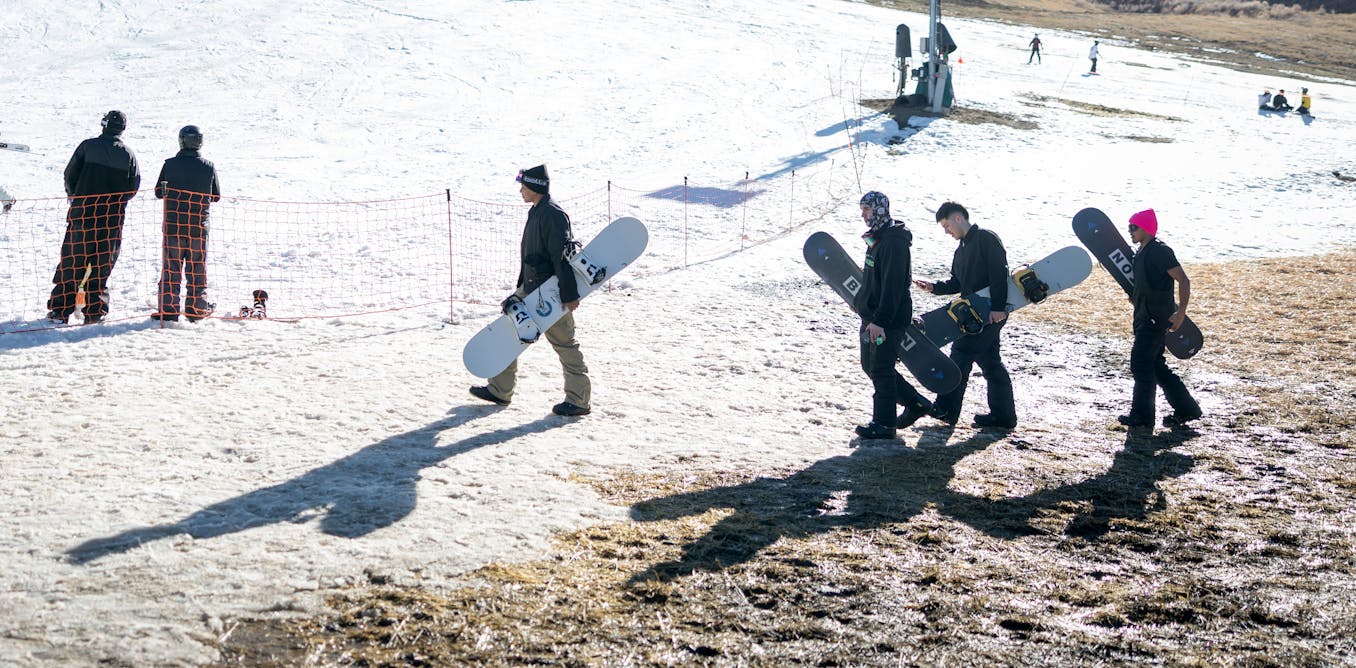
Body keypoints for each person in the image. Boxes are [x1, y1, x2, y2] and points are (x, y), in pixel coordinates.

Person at [469, 164, 591, 417]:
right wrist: (521, 287)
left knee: (565, 345)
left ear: (536, 186)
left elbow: (561, 256)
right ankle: (500, 390)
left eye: (523, 186)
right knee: (508, 333)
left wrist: (569, 295)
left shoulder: (553, 214)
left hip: (550, 293)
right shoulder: (537, 211)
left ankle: (579, 400)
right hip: (532, 288)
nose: (520, 191)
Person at [914, 202, 1017, 429]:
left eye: (947, 225)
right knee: (990, 362)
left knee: (960, 354)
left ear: (958, 218)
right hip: (973, 314)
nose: (946, 231)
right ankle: (1004, 416)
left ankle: (946, 410)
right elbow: (957, 283)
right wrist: (933, 287)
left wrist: (998, 307)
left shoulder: (986, 239)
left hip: (991, 312)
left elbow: (1000, 274)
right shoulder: (960, 251)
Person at [851, 191, 933, 440]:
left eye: (866, 210)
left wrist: (880, 322)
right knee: (870, 365)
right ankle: (915, 403)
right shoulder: (878, 237)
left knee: (881, 368)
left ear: (879, 210)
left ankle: (884, 424)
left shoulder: (894, 242)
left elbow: (894, 286)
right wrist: (861, 303)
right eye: (862, 210)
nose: (863, 215)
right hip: (874, 316)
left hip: (888, 320)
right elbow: (873, 279)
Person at [47, 110, 141, 324]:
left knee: (72, 263)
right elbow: (133, 187)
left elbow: (70, 174)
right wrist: (116, 203)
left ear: (104, 124)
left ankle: (60, 311)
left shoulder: (87, 146)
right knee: (101, 267)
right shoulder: (128, 154)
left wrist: (76, 197)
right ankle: (95, 313)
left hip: (82, 216)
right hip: (111, 221)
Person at [1117, 209, 1201, 429]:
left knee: (1140, 363)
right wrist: (1137, 298)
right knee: (1155, 365)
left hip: (1156, 319)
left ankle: (1142, 417)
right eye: (1129, 227)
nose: (1130, 231)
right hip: (1144, 316)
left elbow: (1183, 280)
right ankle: (1187, 409)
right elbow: (1150, 284)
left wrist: (1181, 312)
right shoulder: (1140, 253)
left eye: (1134, 227)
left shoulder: (1160, 251)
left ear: (1146, 228)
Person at [153, 125, 221, 322]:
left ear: (181, 140)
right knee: (197, 269)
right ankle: (196, 310)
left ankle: (168, 311)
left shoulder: (170, 164)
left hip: (173, 226)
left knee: (171, 269)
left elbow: (158, 192)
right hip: (198, 227)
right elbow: (216, 196)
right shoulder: (208, 166)